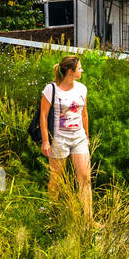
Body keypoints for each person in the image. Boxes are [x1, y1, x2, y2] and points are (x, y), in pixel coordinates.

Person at [38, 55, 93, 220]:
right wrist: (46, 141)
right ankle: (49, 215)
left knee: (85, 178)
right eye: (79, 68)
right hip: (59, 140)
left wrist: (87, 136)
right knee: (56, 179)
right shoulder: (51, 89)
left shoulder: (82, 88)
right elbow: (43, 115)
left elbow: (84, 114)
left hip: (79, 139)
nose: (82, 70)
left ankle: (89, 219)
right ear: (71, 71)